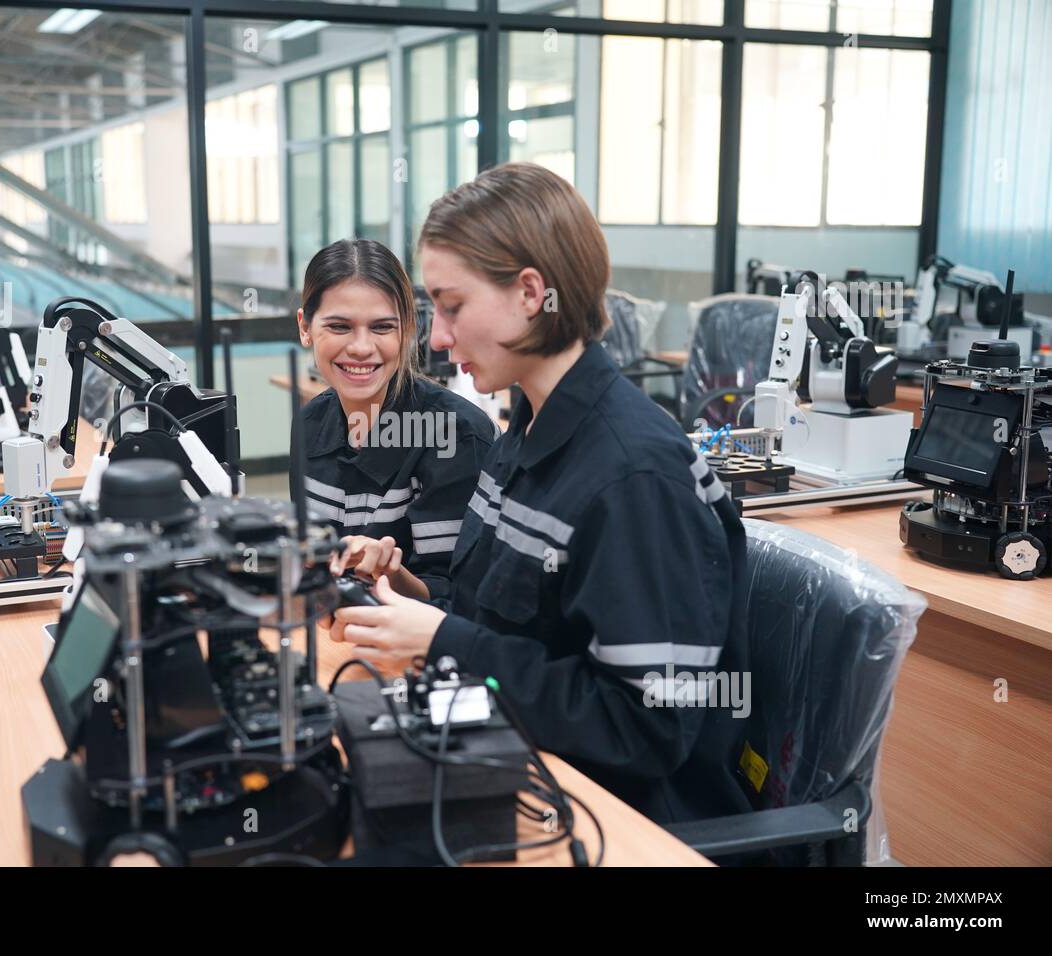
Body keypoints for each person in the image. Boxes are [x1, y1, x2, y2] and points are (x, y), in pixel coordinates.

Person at [330, 164, 752, 824]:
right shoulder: (527, 429)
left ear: (530, 293)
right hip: (520, 757)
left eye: (452, 306)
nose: (436, 338)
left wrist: (444, 640)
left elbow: (645, 729)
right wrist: (413, 598)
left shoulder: (633, 476)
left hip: (618, 815)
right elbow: (508, 622)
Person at [295, 238, 497, 601]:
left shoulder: (455, 435)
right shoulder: (310, 423)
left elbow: (460, 601)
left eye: (382, 327)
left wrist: (390, 573)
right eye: (339, 326)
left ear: (407, 330)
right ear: (305, 327)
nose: (360, 347)